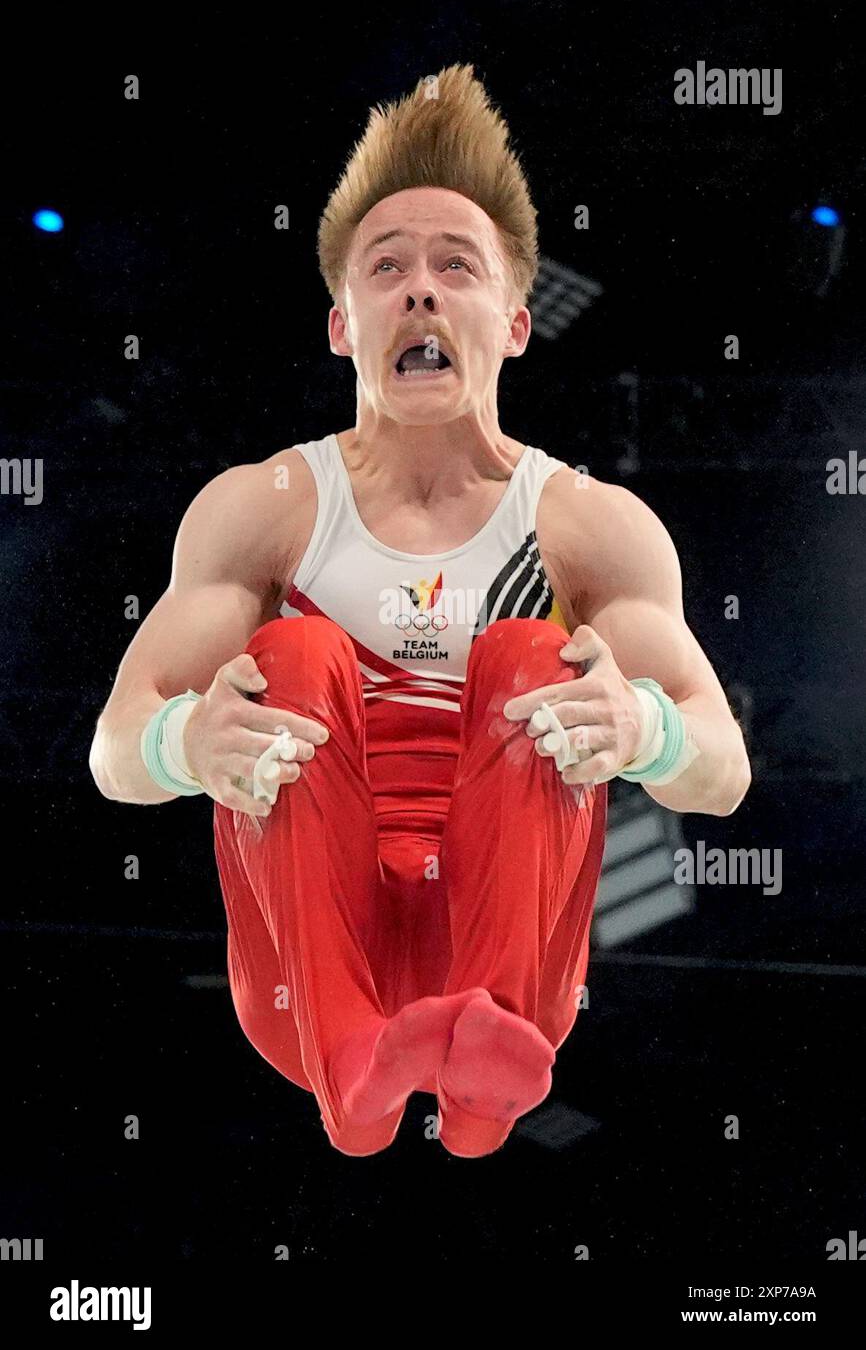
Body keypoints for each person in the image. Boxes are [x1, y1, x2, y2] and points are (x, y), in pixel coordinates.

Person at [89, 64, 751, 1160]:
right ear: (343, 325)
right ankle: (356, 1072)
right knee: (289, 652)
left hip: (501, 936)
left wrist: (644, 728)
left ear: (518, 320)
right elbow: (117, 750)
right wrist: (182, 738)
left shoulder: (588, 526)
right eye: (385, 270)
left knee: (539, 654)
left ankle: (479, 1066)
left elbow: (720, 774)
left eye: (456, 267)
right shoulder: (266, 506)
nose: (420, 292)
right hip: (313, 955)